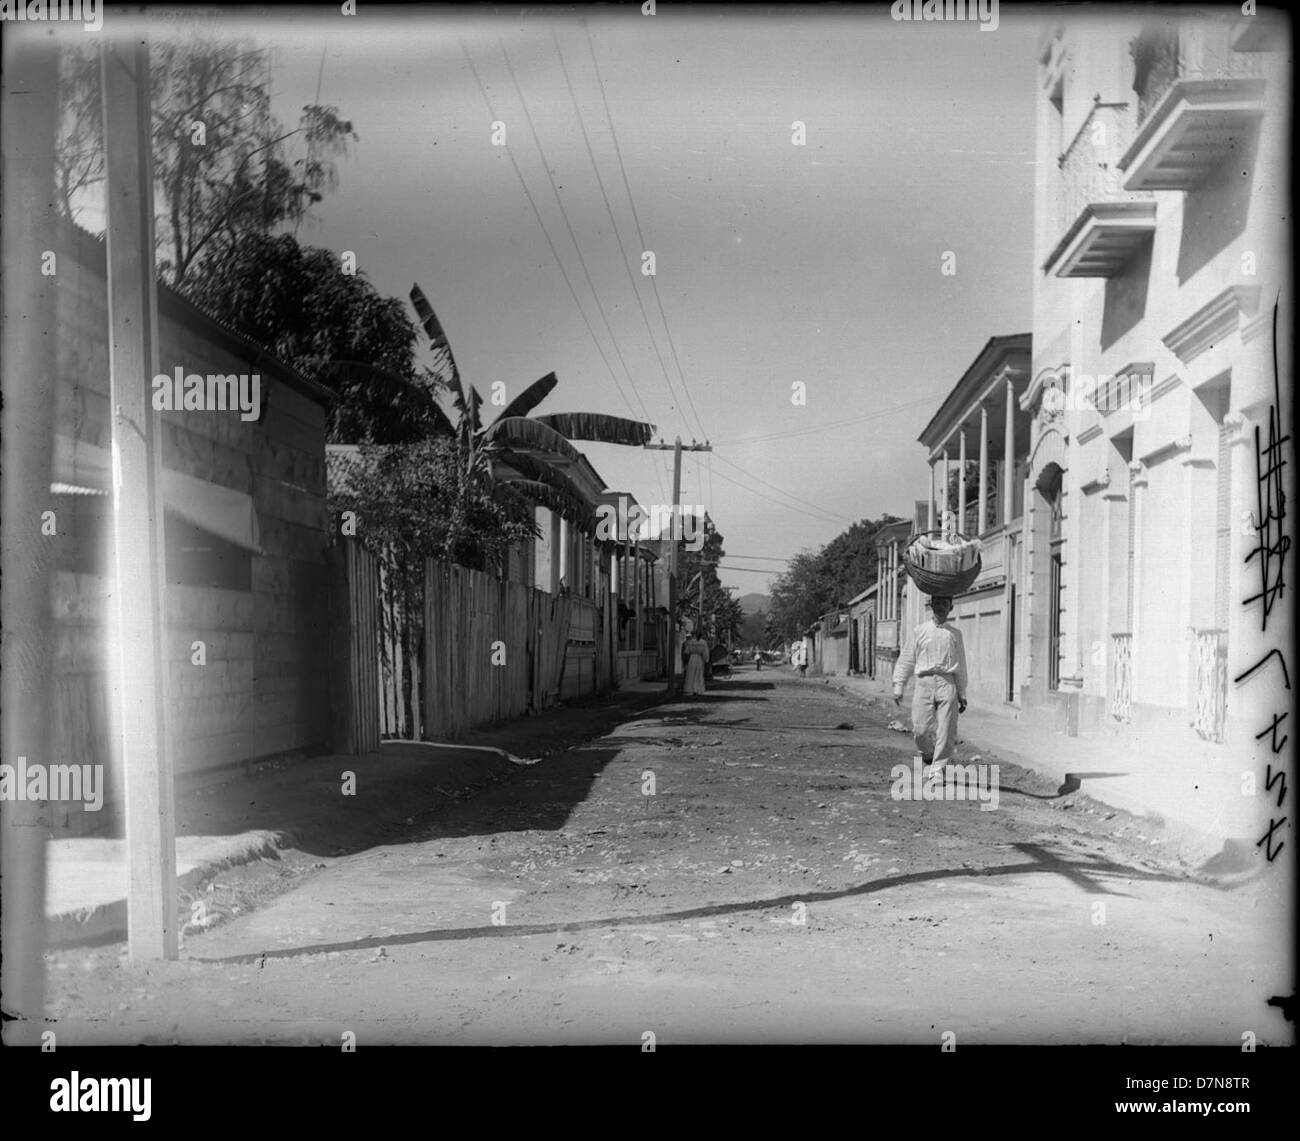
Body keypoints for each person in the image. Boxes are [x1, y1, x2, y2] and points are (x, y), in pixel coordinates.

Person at [892, 595, 968, 770]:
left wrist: (962, 693)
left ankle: (937, 770)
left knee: (947, 730)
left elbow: (961, 664)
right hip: (924, 682)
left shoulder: (955, 634)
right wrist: (899, 685)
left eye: (944, 604)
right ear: (931, 605)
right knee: (920, 730)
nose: (940, 607)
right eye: (937, 603)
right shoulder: (920, 630)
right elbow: (907, 659)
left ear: (951, 607)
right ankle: (927, 754)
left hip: (947, 682)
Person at [682, 626, 709, 696]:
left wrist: (686, 660)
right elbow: (705, 653)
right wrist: (706, 660)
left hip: (692, 658)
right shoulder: (703, 642)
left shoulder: (691, 642)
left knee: (691, 674)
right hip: (699, 659)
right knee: (699, 674)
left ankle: (689, 689)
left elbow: (686, 651)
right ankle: (698, 689)